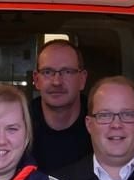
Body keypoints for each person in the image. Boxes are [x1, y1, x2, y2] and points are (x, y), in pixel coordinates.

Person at [30, 39, 92, 172]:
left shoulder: (101, 124)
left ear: (82, 79)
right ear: (36, 79)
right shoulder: (18, 124)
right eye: (47, 72)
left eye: (67, 72)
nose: (57, 82)